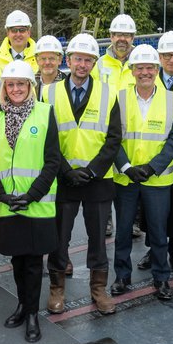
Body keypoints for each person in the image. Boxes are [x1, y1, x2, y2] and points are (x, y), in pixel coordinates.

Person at [41, 33, 121, 316]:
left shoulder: (109, 92)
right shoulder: (48, 93)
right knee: (59, 237)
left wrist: (92, 170)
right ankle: (57, 289)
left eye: (88, 60)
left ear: (94, 62)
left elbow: (114, 139)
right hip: (63, 180)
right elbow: (47, 139)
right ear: (68, 60)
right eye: (78, 58)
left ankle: (98, 289)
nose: (82, 64)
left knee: (98, 237)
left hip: (97, 180)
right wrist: (65, 170)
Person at [0, 61, 61, 342]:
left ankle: (32, 315)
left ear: (31, 87)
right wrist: (1, 195)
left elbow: (52, 161)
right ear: (4, 87)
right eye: (11, 84)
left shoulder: (44, 113)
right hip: (7, 204)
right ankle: (22, 305)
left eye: (21, 84)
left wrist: (32, 195)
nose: (16, 89)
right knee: (17, 259)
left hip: (36, 205)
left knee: (33, 263)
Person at [111, 45, 173, 301]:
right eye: (139, 68)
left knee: (158, 231)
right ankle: (122, 275)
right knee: (123, 231)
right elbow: (113, 137)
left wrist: (152, 167)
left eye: (149, 67)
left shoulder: (172, 99)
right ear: (132, 71)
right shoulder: (118, 98)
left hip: (158, 178)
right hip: (125, 177)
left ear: (157, 69)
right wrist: (127, 167)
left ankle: (161, 278)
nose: (145, 72)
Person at [138, 32, 173, 276]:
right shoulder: (150, 81)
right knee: (153, 207)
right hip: (155, 157)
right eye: (166, 55)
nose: (171, 60)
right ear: (159, 58)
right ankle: (154, 248)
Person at [93, 14, 136, 89]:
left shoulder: (140, 64)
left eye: (126, 35)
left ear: (132, 38)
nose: (122, 39)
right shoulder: (99, 64)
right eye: (118, 34)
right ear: (112, 36)